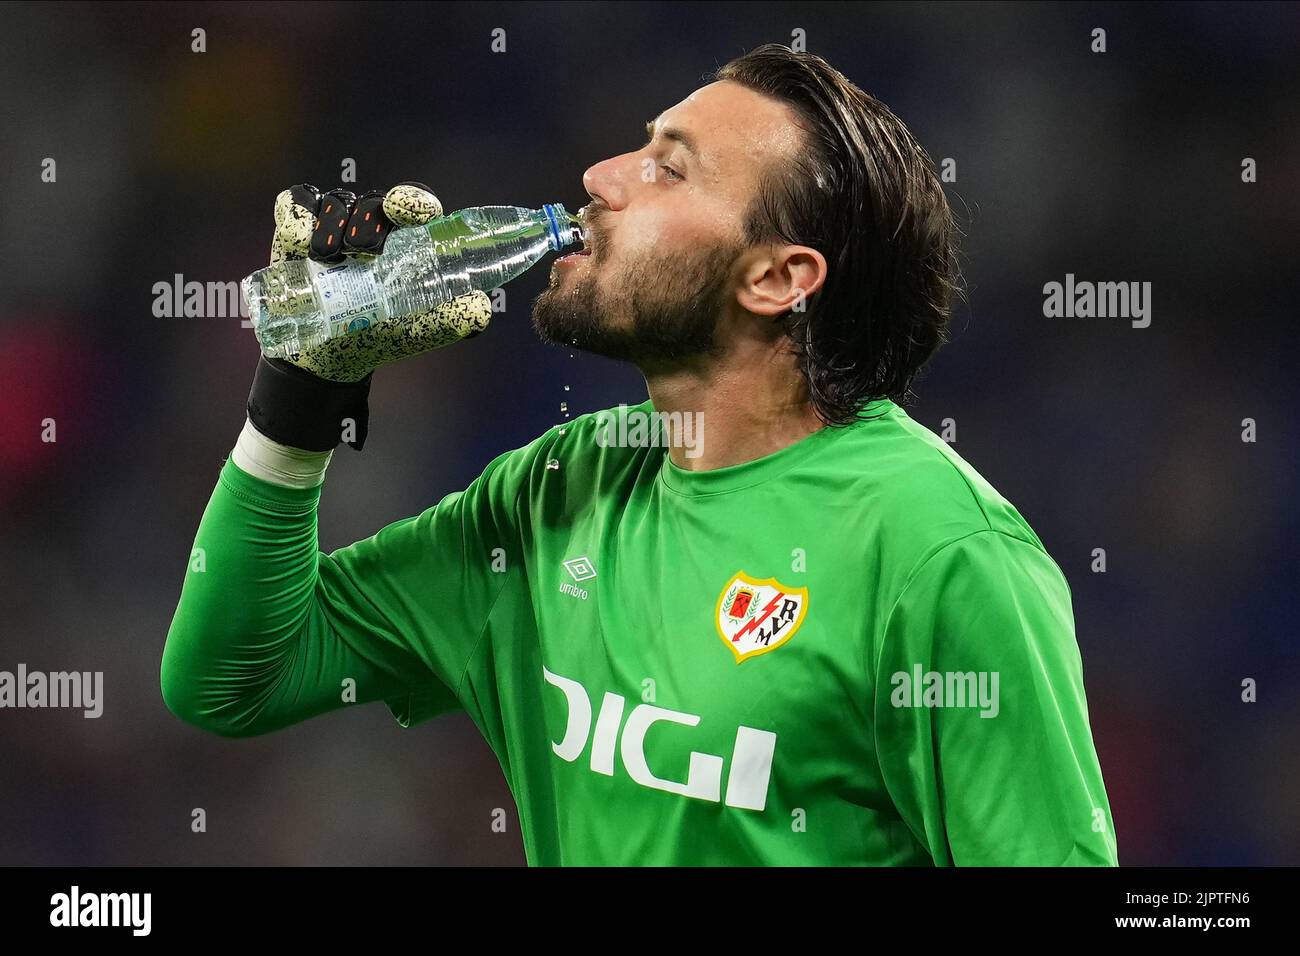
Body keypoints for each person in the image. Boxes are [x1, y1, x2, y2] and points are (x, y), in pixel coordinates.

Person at [163, 43, 1117, 866]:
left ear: (778, 276)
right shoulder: (560, 488)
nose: (601, 177)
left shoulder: (940, 553)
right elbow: (233, 678)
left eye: (669, 169)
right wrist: (301, 391)